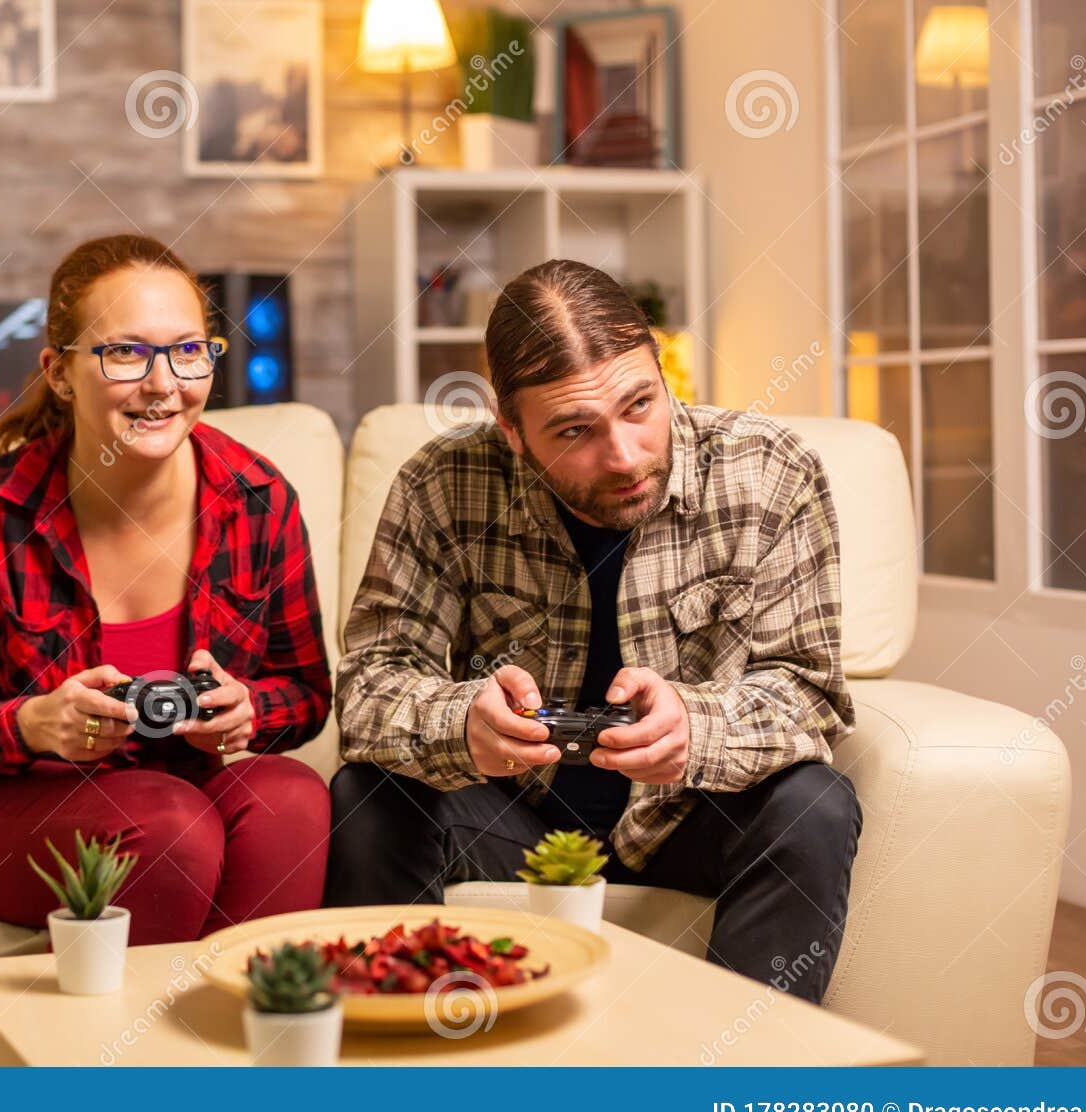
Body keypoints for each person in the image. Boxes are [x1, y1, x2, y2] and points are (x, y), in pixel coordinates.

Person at [325, 259, 860, 1003]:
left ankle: (731, 1095)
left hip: (692, 814)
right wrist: (462, 720)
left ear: (664, 377)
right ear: (511, 430)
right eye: (575, 430)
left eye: (640, 405)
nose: (625, 456)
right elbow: (370, 685)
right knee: (370, 793)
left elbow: (809, 692)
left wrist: (695, 727)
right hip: (518, 819)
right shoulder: (441, 485)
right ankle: (400, 1080)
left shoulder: (770, 473)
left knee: (815, 803)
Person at [0, 233, 332, 945]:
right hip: (7, 804)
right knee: (169, 825)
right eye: (126, 352)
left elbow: (306, 693)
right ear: (59, 372)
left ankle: (235, 1043)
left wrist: (247, 712)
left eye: (188, 350)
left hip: (180, 791)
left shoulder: (259, 498)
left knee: (293, 801)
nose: (163, 384)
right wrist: (31, 723)